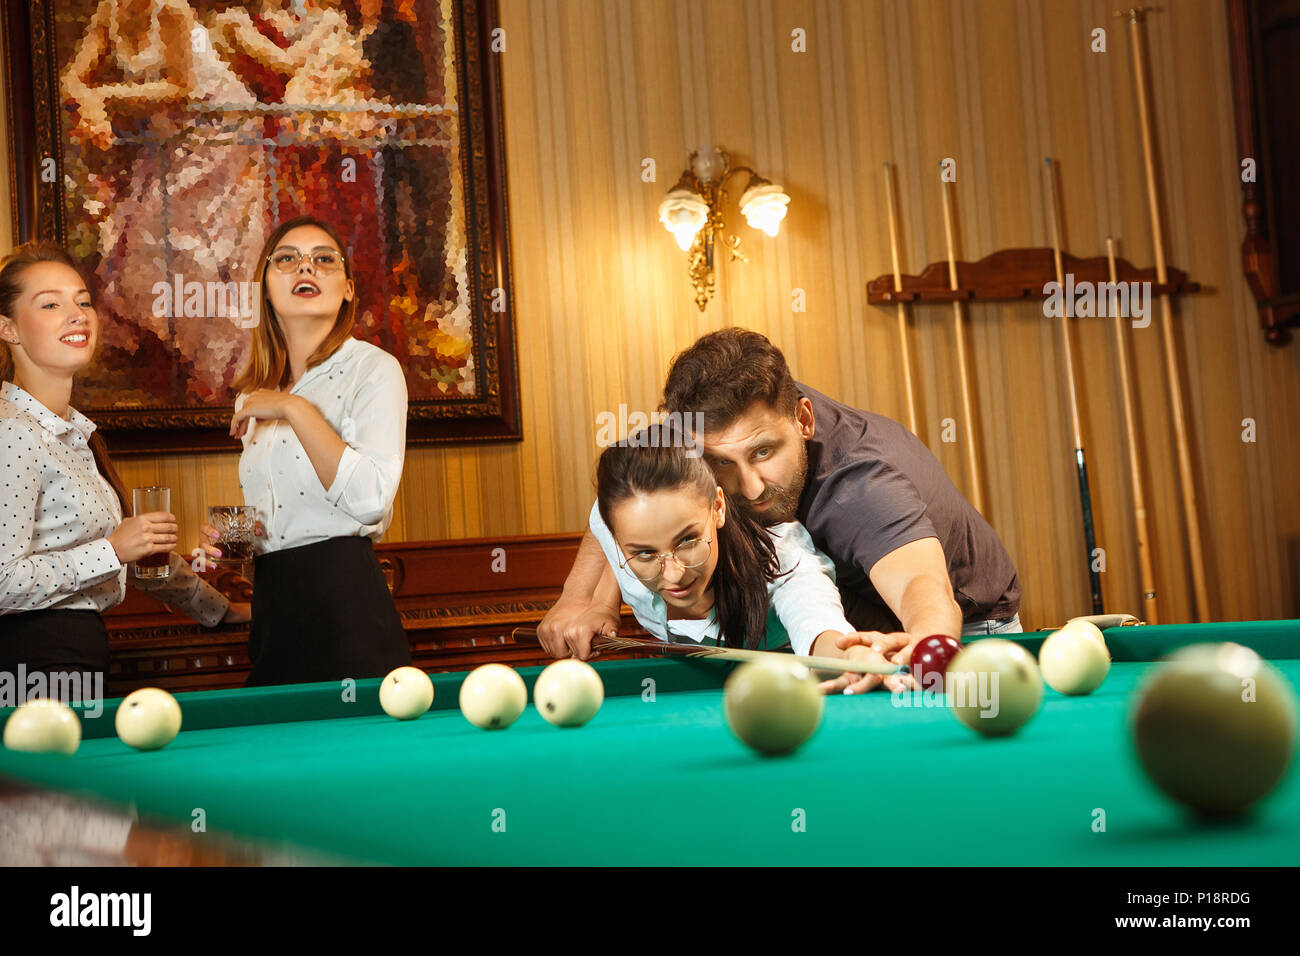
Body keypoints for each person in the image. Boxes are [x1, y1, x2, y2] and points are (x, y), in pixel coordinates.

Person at [541, 328, 1021, 694]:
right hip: (847, 623)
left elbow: (921, 584)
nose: (750, 487)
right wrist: (583, 600)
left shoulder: (861, 484)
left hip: (960, 619)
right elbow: (626, 490)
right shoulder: (694, 433)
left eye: (764, 452)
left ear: (803, 419)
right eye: (721, 462)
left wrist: (930, 643)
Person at [0, 242, 248, 689]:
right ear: (8, 328)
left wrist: (219, 608)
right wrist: (113, 549)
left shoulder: (74, 435)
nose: (77, 315)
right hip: (32, 654)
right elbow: (2, 582)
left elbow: (136, 559)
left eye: (82, 302)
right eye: (51, 304)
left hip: (76, 649)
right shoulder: (11, 431)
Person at [199, 215, 410, 686]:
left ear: (348, 290)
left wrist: (294, 408)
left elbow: (371, 501)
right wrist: (232, 542)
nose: (305, 267)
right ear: (265, 289)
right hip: (273, 611)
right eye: (287, 259)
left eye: (324, 259)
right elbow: (281, 521)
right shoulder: (254, 394)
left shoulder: (374, 370)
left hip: (347, 607)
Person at [588, 425, 860, 657]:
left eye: (687, 540)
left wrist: (850, 655)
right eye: (645, 553)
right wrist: (600, 605)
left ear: (718, 508)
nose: (674, 575)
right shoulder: (612, 518)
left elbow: (818, 624)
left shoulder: (783, 559)